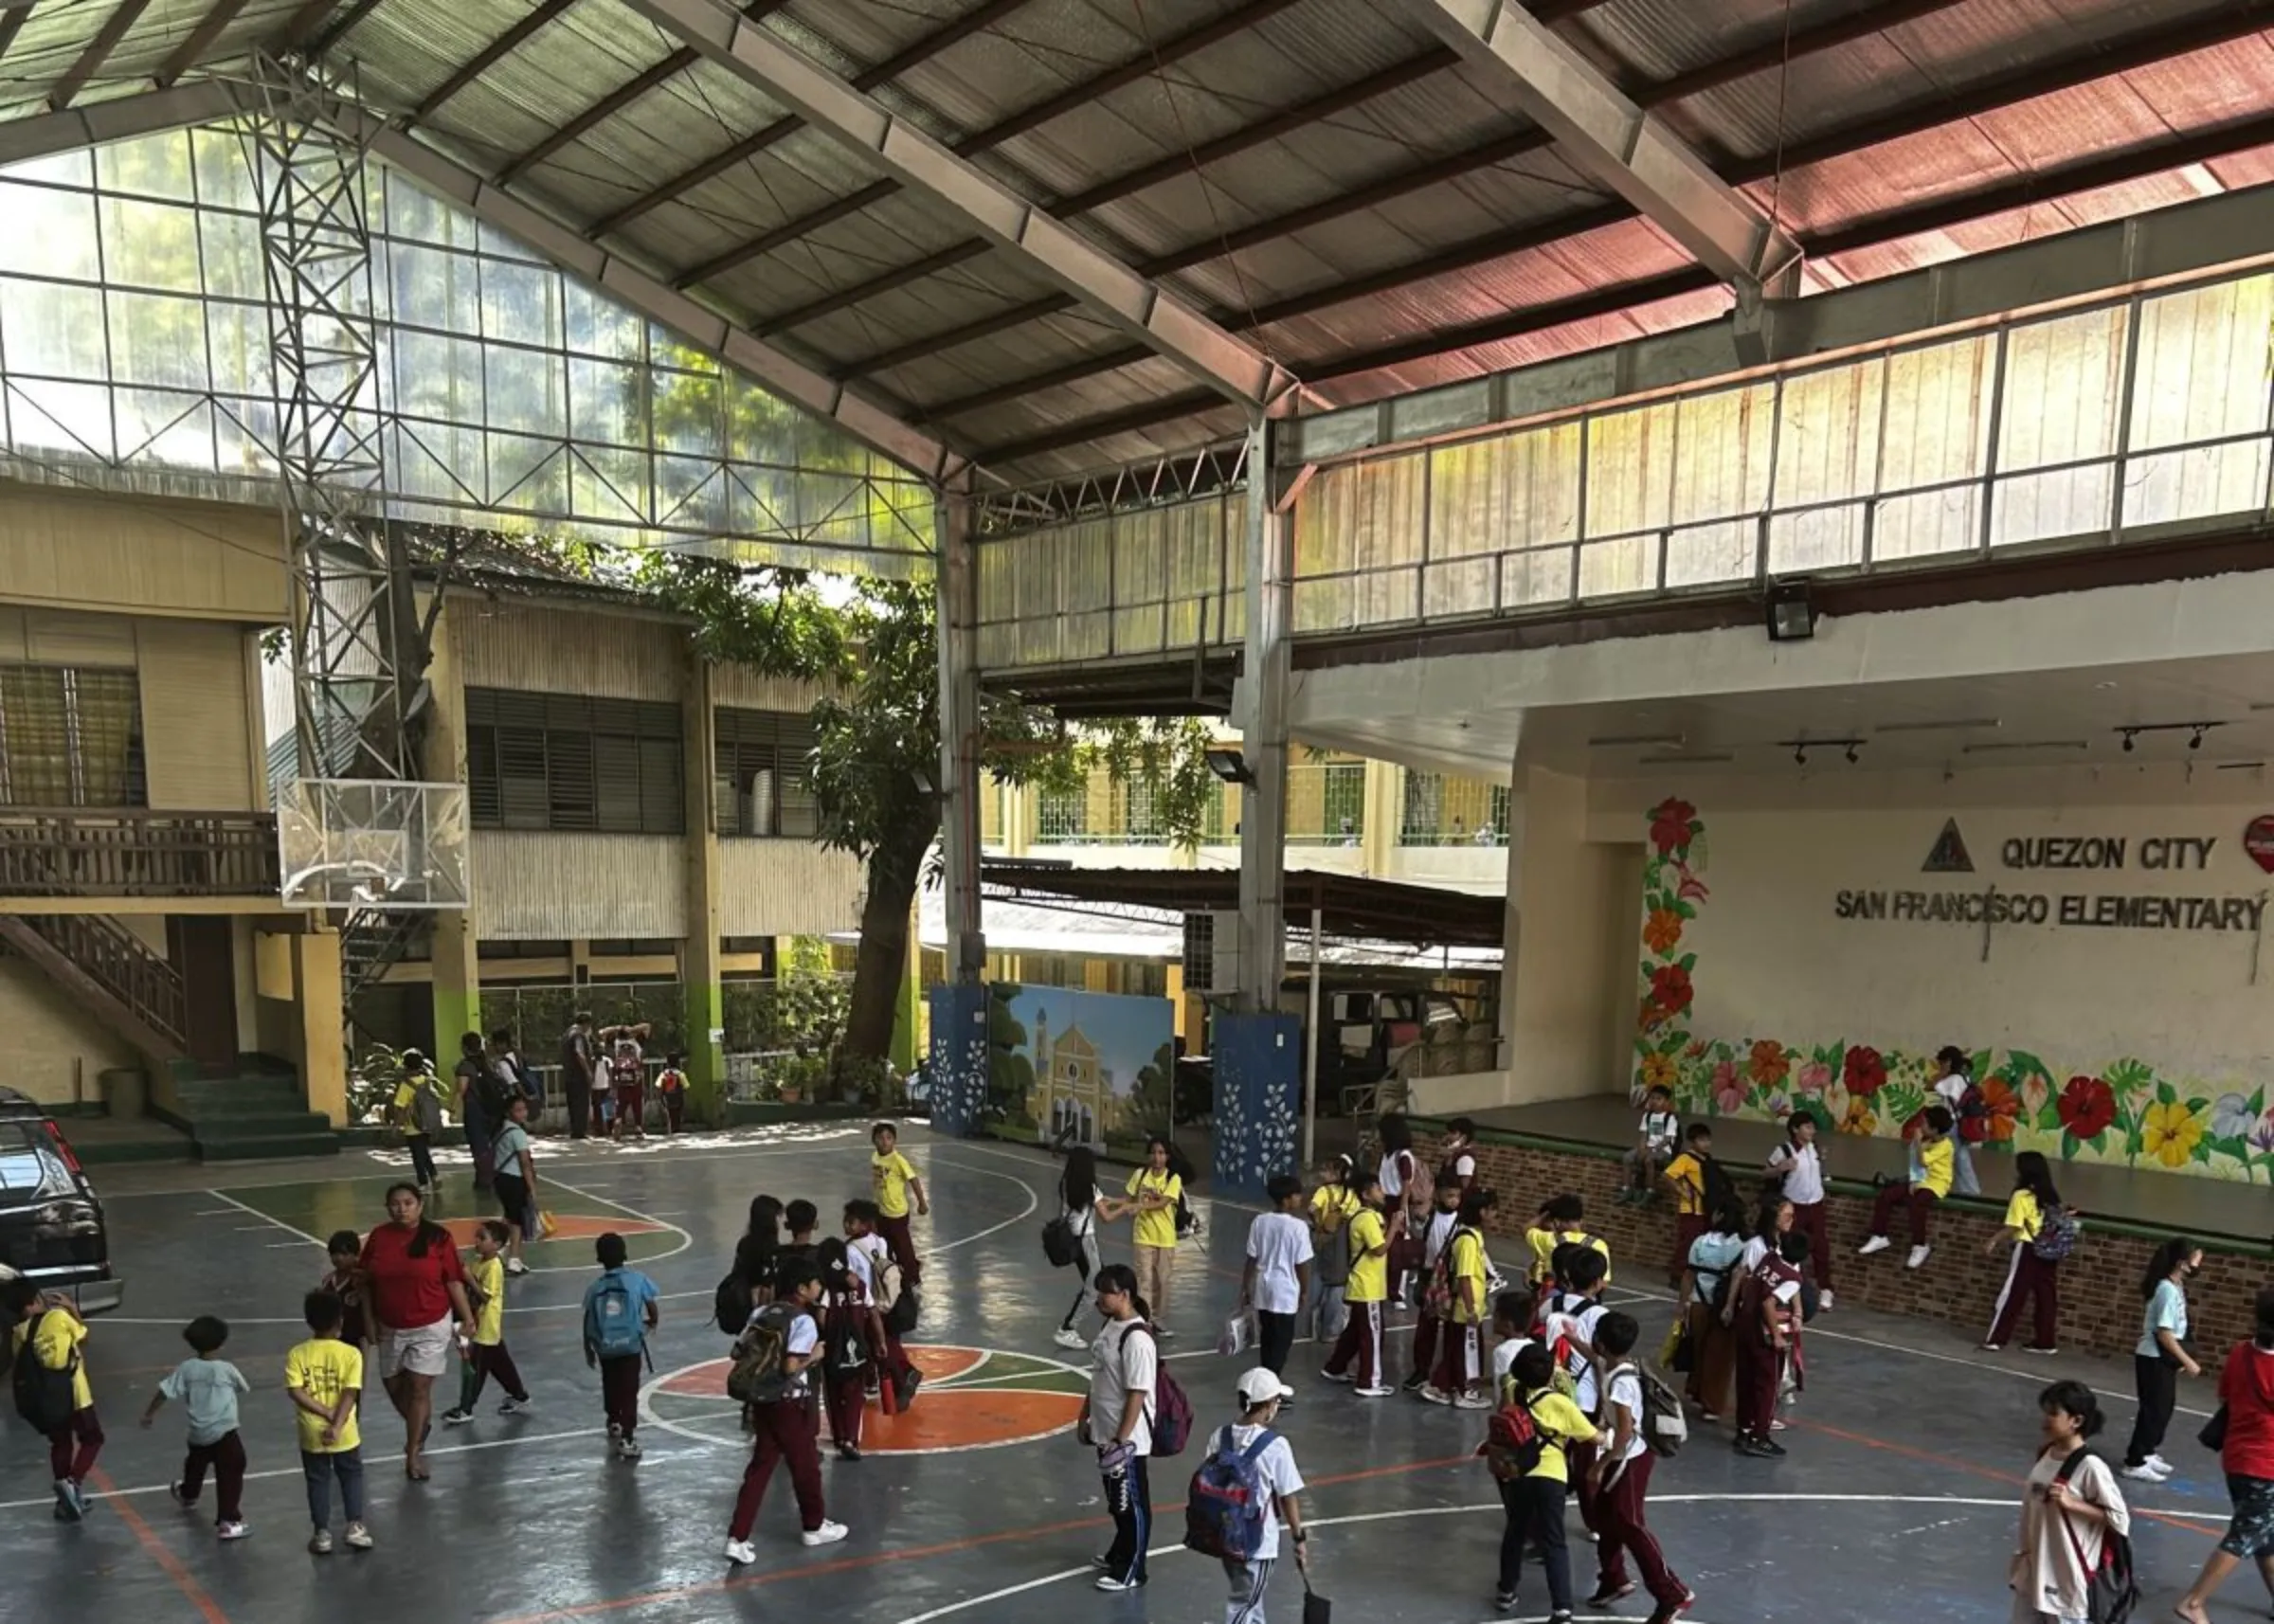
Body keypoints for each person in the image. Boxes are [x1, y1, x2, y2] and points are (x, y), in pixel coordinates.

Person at [724, 1256, 846, 1561]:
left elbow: (736, 1351)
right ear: (803, 1288)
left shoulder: (761, 1312)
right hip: (790, 1403)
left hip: (762, 1400)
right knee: (805, 1466)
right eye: (817, 1283)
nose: (820, 1288)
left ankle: (737, 1536)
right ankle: (814, 1526)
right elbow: (791, 1365)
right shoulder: (802, 1321)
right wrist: (814, 1355)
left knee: (761, 1466)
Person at [359, 1182, 475, 1482]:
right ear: (388, 1208)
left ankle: (412, 1453)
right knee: (394, 1386)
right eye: (395, 1203)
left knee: (419, 1388)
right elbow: (366, 1281)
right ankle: (418, 1424)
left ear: (420, 1206)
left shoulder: (438, 1238)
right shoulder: (379, 1238)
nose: (402, 1208)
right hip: (390, 1325)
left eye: (408, 1203)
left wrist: (466, 1318)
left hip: (431, 1323)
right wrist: (369, 1321)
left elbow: (453, 1280)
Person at [2176, 1285, 2274, 1624]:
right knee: (2247, 1532)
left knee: (2265, 1532)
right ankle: (2194, 1601)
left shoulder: (2240, 1354)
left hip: (2237, 1458)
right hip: (2267, 1464)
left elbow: (2225, 1398)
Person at [1590, 1311, 1692, 1624]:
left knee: (1630, 1523)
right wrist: (1568, 1335)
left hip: (1629, 1459)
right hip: (1624, 1456)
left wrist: (1600, 1465)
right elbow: (1590, 1355)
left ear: (1602, 1343)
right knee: (1605, 1518)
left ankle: (1672, 1593)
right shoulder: (1615, 1364)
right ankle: (1613, 1579)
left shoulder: (1622, 1384)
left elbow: (1623, 1431)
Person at [1490, 1339, 1598, 1618]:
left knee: (1515, 1531)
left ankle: (1506, 1590)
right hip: (1552, 1476)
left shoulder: (1512, 1389)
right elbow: (1592, 1437)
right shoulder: (1561, 1404)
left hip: (1520, 1472)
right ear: (1551, 1373)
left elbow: (1504, 1415)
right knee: (1554, 1541)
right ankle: (1561, 1606)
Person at [2012, 1380, 2129, 1624]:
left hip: (2065, 1576)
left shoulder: (2090, 1466)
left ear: (2076, 1421)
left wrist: (2073, 1504)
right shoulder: (2046, 1452)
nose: (2045, 1420)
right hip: (2035, 1568)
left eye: (2053, 1414)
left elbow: (2120, 1519)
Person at [1205, 1368, 1310, 1624]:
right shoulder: (1276, 1446)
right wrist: (1299, 1537)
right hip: (1258, 1542)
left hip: (1226, 1535)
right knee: (1245, 1603)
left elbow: (1208, 1481)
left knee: (1248, 1597)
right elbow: (1288, 1496)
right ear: (1268, 1406)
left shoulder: (1220, 1436)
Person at [1082, 1262, 1161, 1594]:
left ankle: (1132, 1569)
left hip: (1125, 1440)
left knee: (1132, 1504)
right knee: (1117, 1501)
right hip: (1106, 1430)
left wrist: (1121, 1439)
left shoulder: (1138, 1340)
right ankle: (1120, 1551)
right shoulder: (1110, 1325)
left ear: (1125, 1295)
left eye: (1106, 1292)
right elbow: (1099, 1376)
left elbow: (1137, 1392)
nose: (1100, 1297)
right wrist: (1084, 1417)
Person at [140, 1314, 251, 1541]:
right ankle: (228, 1521)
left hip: (199, 1432)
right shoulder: (226, 1369)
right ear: (221, 1342)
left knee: (196, 1464)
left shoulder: (187, 1368)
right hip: (224, 1432)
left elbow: (164, 1391)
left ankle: (188, 1494)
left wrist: (149, 1414)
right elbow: (243, 1387)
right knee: (231, 1471)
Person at [4, 1280, 102, 1521]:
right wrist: (71, 1308)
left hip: (46, 1400)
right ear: (33, 1301)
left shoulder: (19, 1332)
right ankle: (73, 1483)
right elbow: (83, 1337)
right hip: (75, 1393)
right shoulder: (58, 1317)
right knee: (92, 1438)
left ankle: (64, 1502)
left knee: (61, 1444)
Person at [286, 1290, 370, 1554]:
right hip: (345, 1430)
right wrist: (336, 1423)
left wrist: (322, 1412)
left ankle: (322, 1533)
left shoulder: (297, 1353)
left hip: (311, 1431)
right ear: (340, 1321)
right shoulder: (351, 1354)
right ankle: (355, 1527)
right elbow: (350, 1392)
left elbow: (295, 1390)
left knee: (317, 1479)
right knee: (351, 1475)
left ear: (308, 1321)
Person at [2122, 1236, 2202, 1480]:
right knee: (2153, 1409)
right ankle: (2134, 1461)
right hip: (2153, 1356)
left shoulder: (2175, 1286)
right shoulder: (2166, 1289)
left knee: (2163, 1408)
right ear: (2181, 1262)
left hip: (2163, 1358)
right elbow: (2164, 1333)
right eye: (2195, 1260)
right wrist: (2186, 1360)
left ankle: (2147, 1451)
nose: (2198, 1264)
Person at [582, 1231, 660, 1459]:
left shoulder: (595, 1288)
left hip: (606, 1347)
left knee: (610, 1382)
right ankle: (628, 1436)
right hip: (630, 1346)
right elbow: (651, 1304)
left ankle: (613, 1419)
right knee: (629, 1389)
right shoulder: (637, 1279)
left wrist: (588, 1346)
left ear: (599, 1258)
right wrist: (653, 1321)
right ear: (625, 1254)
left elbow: (588, 1320)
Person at [1983, 1151, 2071, 1354]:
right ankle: (2045, 1341)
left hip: (2028, 1247)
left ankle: (1997, 1338)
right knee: (2046, 1296)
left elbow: (2014, 1226)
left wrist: (1993, 1240)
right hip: (2049, 1249)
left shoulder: (2021, 1195)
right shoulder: (2051, 1195)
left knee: (2013, 1293)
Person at [443, 1220, 531, 1425]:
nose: (477, 1241)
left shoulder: (494, 1266)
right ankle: (519, 1395)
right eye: (477, 1236)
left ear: (497, 1244)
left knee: (477, 1368)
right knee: (500, 1364)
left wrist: (469, 1278)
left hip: (486, 1325)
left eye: (482, 1238)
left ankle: (466, 1408)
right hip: (480, 1325)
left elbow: (484, 1297)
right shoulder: (479, 1262)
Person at [1733, 1223, 1803, 1458]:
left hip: (1744, 1324)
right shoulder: (1792, 1277)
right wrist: (1776, 1335)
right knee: (1768, 1386)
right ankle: (1759, 1436)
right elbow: (1768, 1304)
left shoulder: (1769, 1258)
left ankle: (1743, 1430)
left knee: (1745, 1380)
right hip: (1762, 1333)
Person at [845, 1200, 922, 1411]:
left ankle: (905, 1373)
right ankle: (897, 1384)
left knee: (877, 1345)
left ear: (865, 1224)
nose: (846, 1225)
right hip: (887, 1299)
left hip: (867, 1303)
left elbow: (852, 1278)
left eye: (852, 1222)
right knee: (885, 1340)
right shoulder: (880, 1242)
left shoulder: (850, 1250)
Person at [1321, 1172, 1393, 1398]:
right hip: (1367, 1286)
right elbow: (1379, 1248)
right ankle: (1369, 1381)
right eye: (1378, 1189)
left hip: (1365, 1285)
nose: (1383, 1193)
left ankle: (1335, 1367)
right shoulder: (1367, 1219)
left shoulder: (1365, 1216)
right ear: (1366, 1194)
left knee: (1354, 1333)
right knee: (1372, 1335)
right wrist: (1395, 1226)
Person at [1858, 1104, 1955, 1268]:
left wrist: (1917, 1141)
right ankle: (1880, 1235)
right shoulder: (1927, 1140)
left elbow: (1923, 1161)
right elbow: (1915, 1164)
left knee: (1917, 1204)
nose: (1921, 1126)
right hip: (1920, 1180)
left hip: (1936, 1183)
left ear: (1935, 1129)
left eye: (1925, 1124)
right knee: (1886, 1195)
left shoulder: (1946, 1145)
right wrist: (1914, 1181)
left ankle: (1920, 1245)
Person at [1241, 1175, 1314, 1387]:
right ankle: (1270, 1387)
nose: (1300, 1198)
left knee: (1268, 1338)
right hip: (1285, 1290)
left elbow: (1251, 1258)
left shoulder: (1260, 1221)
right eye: (1297, 1195)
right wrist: (1304, 1291)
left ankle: (1266, 1379)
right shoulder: (1298, 1227)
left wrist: (1246, 1286)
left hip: (1263, 1287)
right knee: (1282, 1342)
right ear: (1286, 1199)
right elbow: (1302, 1264)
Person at [1682, 1201, 1747, 1422]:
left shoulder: (1701, 1242)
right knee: (1720, 1358)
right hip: (1724, 1307)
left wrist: (1682, 1305)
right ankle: (1712, 1404)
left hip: (1699, 1302)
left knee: (1698, 1348)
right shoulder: (1743, 1247)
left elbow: (1689, 1275)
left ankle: (1697, 1390)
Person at [1430, 1188, 1493, 1410]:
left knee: (1455, 1349)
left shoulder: (1473, 1235)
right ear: (1482, 1212)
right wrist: (1470, 1309)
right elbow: (1464, 1276)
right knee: (1469, 1352)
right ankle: (1467, 1391)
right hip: (1466, 1307)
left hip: (1468, 1305)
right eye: (1491, 1210)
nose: (1494, 1216)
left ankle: (1443, 1385)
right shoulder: (1467, 1240)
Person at [1054, 1147, 1122, 1350]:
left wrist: (1115, 1200)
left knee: (1100, 1282)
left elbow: (1094, 1202)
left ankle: (1112, 1321)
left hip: (1073, 1239)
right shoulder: (1090, 1188)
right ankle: (1067, 1328)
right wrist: (1125, 1208)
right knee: (1093, 1287)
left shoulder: (1067, 1184)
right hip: (1086, 1241)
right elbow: (1107, 1217)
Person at [1764, 1113, 1832, 1309]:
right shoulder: (1784, 1150)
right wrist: (1781, 1168)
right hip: (1794, 1206)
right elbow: (1765, 1171)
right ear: (1795, 1129)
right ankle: (1782, 1285)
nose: (1812, 1131)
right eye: (1808, 1127)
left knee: (1821, 1247)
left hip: (1816, 1204)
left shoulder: (1815, 1148)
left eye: (1813, 1128)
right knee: (1787, 1245)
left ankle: (1825, 1289)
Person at [1407, 1171, 1465, 1395]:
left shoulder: (1460, 1222)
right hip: (1429, 1276)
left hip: (1450, 1278)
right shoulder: (1430, 1217)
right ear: (1438, 1194)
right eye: (1449, 1195)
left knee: (1452, 1329)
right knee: (1426, 1328)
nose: (1453, 1200)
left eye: (1457, 1196)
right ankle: (1421, 1370)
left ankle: (1447, 1372)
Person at [814, 1238, 871, 1462]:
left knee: (833, 1392)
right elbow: (873, 1313)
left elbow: (821, 1315)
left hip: (833, 1349)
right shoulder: (860, 1286)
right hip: (857, 1349)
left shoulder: (827, 1289)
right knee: (856, 1394)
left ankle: (839, 1436)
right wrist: (879, 1342)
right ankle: (851, 1439)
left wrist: (826, 1333)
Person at [1126, 1135, 1184, 1337]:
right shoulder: (1140, 1175)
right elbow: (1129, 1198)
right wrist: (1117, 1206)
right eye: (1154, 1153)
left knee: (1162, 1281)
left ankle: (1158, 1319)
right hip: (1143, 1235)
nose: (1157, 1157)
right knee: (1145, 1281)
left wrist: (1140, 1206)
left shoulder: (1173, 1179)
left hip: (1165, 1238)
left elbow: (1162, 1203)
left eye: (1161, 1153)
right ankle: (1145, 1320)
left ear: (1167, 1156)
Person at [1308, 1155, 1362, 1347]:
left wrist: (1319, 1225)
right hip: (1344, 1245)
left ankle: (1313, 1311)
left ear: (1338, 1173)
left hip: (1323, 1241)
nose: (1322, 1173)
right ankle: (1330, 1329)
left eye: (1327, 1170)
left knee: (1317, 1275)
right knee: (1338, 1286)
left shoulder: (1324, 1191)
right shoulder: (1353, 1195)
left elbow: (1312, 1208)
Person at [1378, 1113, 1430, 1307]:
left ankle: (1397, 1293)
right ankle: (1386, 1286)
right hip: (1385, 1201)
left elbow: (1406, 1183)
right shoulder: (1386, 1155)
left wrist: (1401, 1210)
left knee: (1399, 1248)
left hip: (1398, 1202)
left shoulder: (1404, 1156)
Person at [870, 1122, 929, 1289]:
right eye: (880, 1138)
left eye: (889, 1138)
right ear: (874, 1140)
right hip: (881, 1211)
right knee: (884, 1246)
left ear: (894, 1140)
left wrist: (922, 1202)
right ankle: (892, 1273)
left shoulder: (898, 1160)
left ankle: (912, 1276)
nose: (885, 1141)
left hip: (897, 1213)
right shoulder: (875, 1157)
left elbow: (914, 1180)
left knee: (903, 1248)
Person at [490, 1093, 541, 1275]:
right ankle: (514, 1259)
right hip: (514, 1180)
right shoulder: (517, 1133)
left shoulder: (502, 1129)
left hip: (500, 1179)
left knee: (509, 1217)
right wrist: (532, 1189)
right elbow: (525, 1163)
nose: (523, 1113)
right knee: (517, 1222)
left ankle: (498, 1252)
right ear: (509, 1112)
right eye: (518, 1110)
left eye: (524, 1109)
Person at [1661, 1124, 1712, 1289]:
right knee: (1687, 1244)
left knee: (1699, 1245)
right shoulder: (1686, 1159)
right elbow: (1667, 1175)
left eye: (1707, 1140)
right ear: (1693, 1141)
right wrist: (1681, 1191)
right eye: (1701, 1140)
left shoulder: (1707, 1159)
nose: (1706, 1143)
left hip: (1704, 1209)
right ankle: (1677, 1275)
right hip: (1690, 1209)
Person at [1930, 1043, 1984, 1197]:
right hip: (1961, 1123)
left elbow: (1931, 1085)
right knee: (1959, 1157)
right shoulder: (1963, 1077)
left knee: (1952, 1157)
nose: (1939, 1067)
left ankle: (1969, 1191)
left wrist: (1943, 1071)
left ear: (1947, 1062)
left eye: (1941, 1063)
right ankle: (1969, 1191)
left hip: (1952, 1125)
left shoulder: (1952, 1080)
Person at [1527, 1193, 1611, 1287]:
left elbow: (1526, 1229)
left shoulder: (1550, 1239)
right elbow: (1604, 1282)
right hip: (1587, 1297)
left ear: (1556, 1222)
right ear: (1581, 1221)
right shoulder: (1599, 1244)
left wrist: (1546, 1213)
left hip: (1556, 1294)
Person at [389, 1051, 442, 1195]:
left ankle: (423, 1183)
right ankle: (434, 1175)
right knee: (424, 1152)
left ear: (406, 1066)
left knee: (417, 1156)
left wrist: (395, 1126)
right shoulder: (426, 1081)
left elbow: (400, 1107)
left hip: (413, 1126)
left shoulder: (406, 1085)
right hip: (427, 1124)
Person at [454, 1031, 499, 1194]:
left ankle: (484, 1177)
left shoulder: (465, 1066)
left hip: (474, 1108)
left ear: (464, 1047)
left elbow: (462, 1089)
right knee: (492, 1143)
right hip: (492, 1108)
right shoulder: (489, 1063)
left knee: (478, 1144)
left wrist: (454, 1109)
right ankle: (494, 1173)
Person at [1623, 1084, 1680, 1204]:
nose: (1654, 1101)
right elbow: (1644, 1135)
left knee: (1649, 1160)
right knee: (1627, 1157)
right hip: (1649, 1147)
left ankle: (1650, 1190)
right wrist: (1642, 1148)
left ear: (1666, 1101)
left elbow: (1667, 1139)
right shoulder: (1647, 1116)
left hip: (1663, 1150)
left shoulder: (1670, 1118)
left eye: (1659, 1099)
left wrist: (1652, 1150)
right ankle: (1626, 1189)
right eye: (1652, 1098)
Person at [320, 1230, 371, 1354]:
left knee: (356, 1373)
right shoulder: (327, 1281)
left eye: (344, 1254)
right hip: (332, 1339)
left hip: (356, 1339)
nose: (338, 1258)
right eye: (334, 1254)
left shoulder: (360, 1281)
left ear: (356, 1255)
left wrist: (370, 1336)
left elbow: (367, 1310)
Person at [601, 1024, 651, 1140]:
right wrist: (632, 1029)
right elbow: (647, 1026)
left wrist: (617, 1028)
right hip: (636, 1077)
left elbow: (602, 1033)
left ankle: (618, 1120)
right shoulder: (637, 1042)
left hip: (621, 1077)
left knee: (621, 1102)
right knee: (637, 1103)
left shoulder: (617, 1043)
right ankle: (638, 1127)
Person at [560, 1011, 599, 1140]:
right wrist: (587, 1071)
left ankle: (575, 1130)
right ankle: (579, 1131)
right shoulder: (578, 1035)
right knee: (581, 1103)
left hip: (569, 1075)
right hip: (578, 1076)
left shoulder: (567, 1034)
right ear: (586, 1024)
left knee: (573, 1103)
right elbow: (579, 1053)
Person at [1438, 1117, 1479, 1190]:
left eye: (1453, 1133)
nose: (1448, 1137)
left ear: (1463, 1138)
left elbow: (1464, 1187)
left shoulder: (1465, 1158)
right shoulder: (1453, 1156)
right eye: (1448, 1133)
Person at [657, 1051, 689, 1135]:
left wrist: (660, 1097)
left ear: (667, 1062)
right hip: (678, 1099)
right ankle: (677, 1130)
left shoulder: (663, 1074)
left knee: (668, 1115)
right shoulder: (680, 1074)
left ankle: (669, 1130)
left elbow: (658, 1086)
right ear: (678, 1063)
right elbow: (686, 1087)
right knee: (677, 1115)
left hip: (666, 1099)